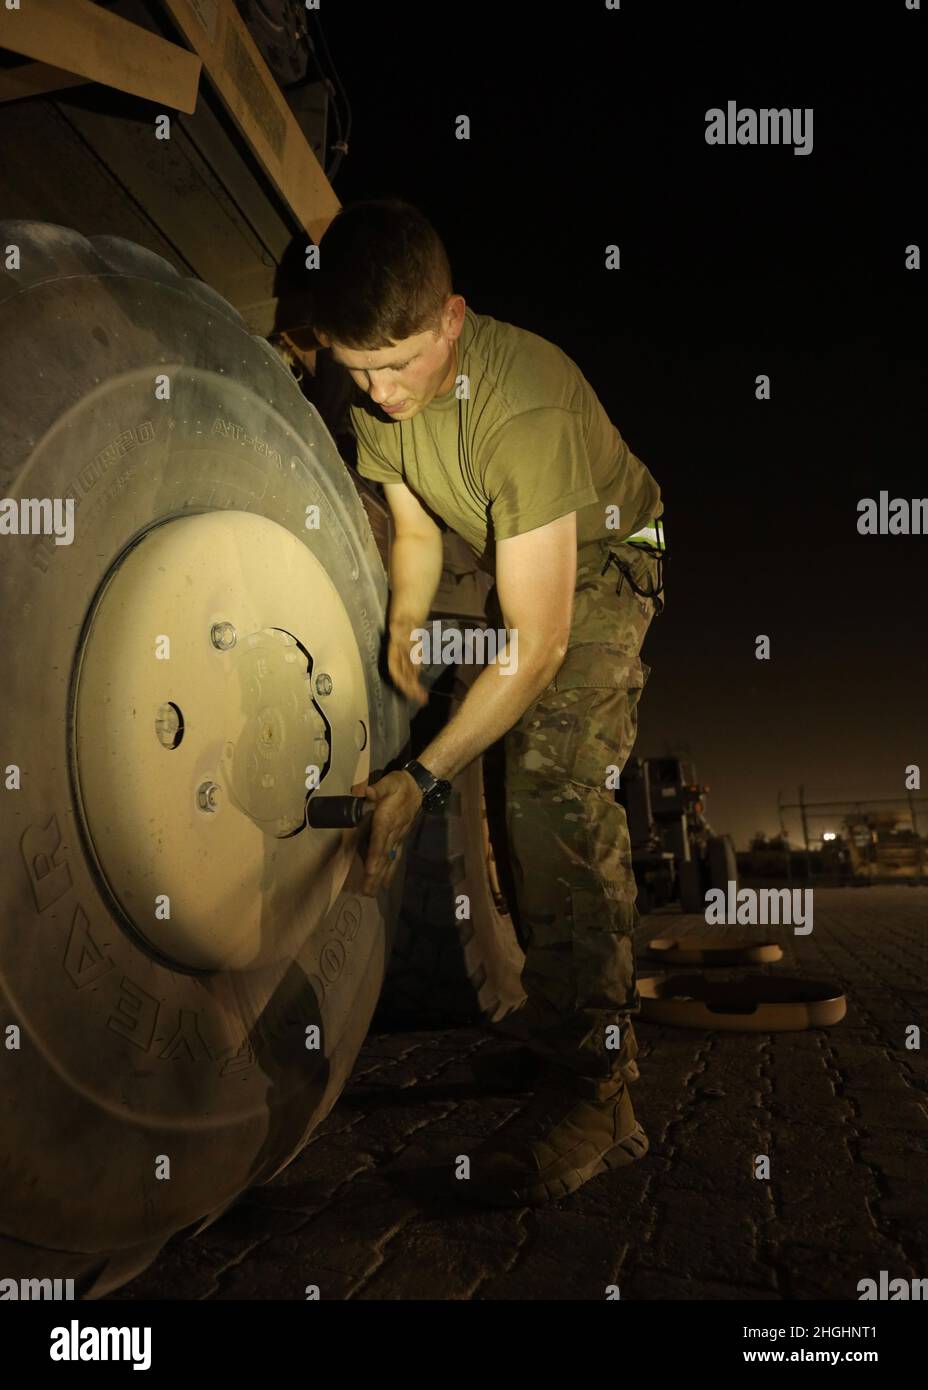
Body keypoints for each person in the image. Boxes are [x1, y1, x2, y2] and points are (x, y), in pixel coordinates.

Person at [307, 198, 665, 1207]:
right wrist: (404, 622)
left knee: (552, 779)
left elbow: (542, 638)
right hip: (521, 560)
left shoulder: (525, 404)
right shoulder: (381, 404)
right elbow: (415, 529)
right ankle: (561, 1036)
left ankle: (601, 1096)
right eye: (359, 367)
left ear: (453, 321)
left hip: (604, 559)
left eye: (402, 364)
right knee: (510, 781)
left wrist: (419, 774)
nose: (379, 393)